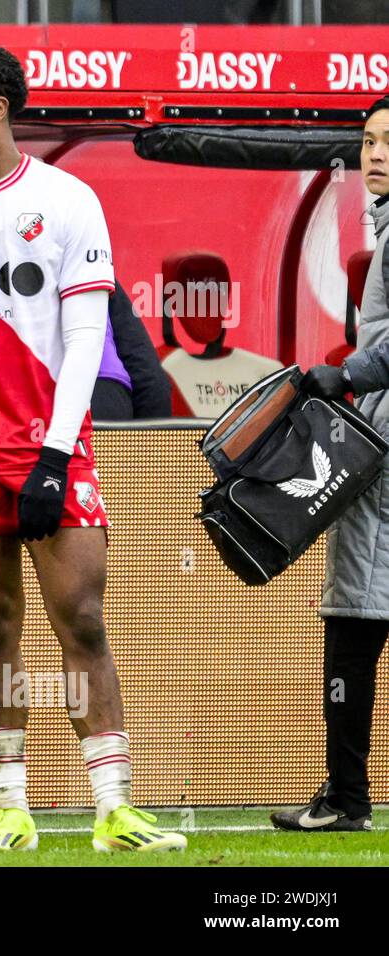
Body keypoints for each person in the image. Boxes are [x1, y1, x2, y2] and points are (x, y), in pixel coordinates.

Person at [0, 43, 187, 852]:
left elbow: (87, 333)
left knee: (82, 622)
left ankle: (114, 808)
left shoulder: (66, 201)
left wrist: (56, 455)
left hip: (51, 453)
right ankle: (10, 807)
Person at [277, 95, 389, 833]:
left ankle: (347, 799)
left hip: (381, 462)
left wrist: (345, 375)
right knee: (357, 620)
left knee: (352, 619)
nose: (376, 152)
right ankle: (345, 794)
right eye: (369, 139)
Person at [91, 281, 172, 420]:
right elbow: (151, 378)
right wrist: (151, 438)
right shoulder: (97, 270)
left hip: (57, 395)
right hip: (107, 398)